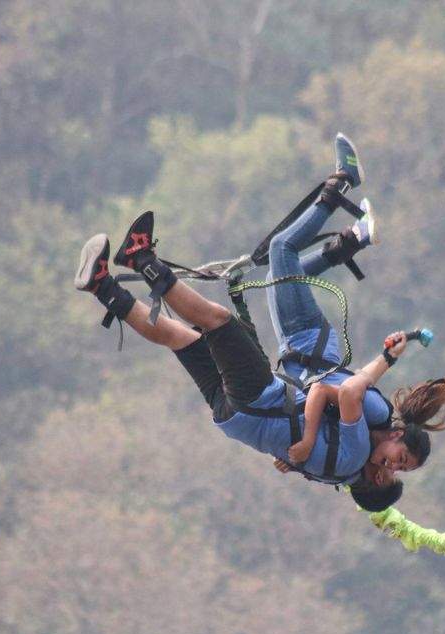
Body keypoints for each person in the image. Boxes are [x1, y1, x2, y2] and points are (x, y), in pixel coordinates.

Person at [73, 139, 425, 510]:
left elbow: (338, 392)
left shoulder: (354, 455)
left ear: (372, 483)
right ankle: (103, 287)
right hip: (233, 419)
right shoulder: (345, 462)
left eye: (390, 474)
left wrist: (388, 359)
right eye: (399, 463)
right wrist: (296, 456)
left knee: (219, 319)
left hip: (262, 397)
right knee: (183, 338)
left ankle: (142, 258)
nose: (391, 468)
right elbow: (321, 423)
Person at [261, 133, 445, 484]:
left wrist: (295, 460)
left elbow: (335, 404)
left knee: (285, 275)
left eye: (402, 469)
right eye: (402, 460)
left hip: (298, 348)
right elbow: (329, 390)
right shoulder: (375, 413)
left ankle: (351, 241)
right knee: (281, 250)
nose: (394, 467)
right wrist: (306, 442)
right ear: (397, 437)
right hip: (307, 339)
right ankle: (343, 182)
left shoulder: (363, 434)